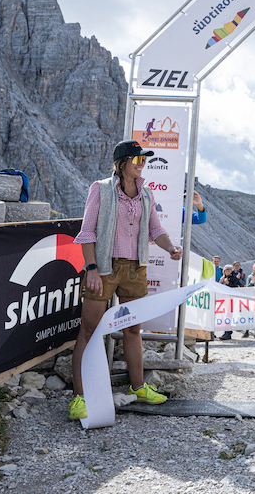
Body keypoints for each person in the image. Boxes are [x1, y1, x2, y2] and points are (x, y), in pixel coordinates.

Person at [69, 140, 183, 420]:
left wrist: (170, 248)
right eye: (137, 158)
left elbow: (156, 228)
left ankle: (139, 387)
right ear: (122, 162)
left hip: (135, 268)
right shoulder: (101, 189)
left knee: (133, 329)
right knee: (89, 331)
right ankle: (78, 399)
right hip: (104, 268)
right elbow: (87, 232)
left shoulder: (146, 194)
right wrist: (92, 269)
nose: (142, 162)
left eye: (143, 158)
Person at [219, 264, 241, 340]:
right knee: (224, 315)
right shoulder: (223, 278)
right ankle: (226, 331)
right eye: (226, 270)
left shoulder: (234, 278)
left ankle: (228, 332)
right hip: (223, 299)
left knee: (229, 315)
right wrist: (220, 282)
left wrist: (228, 283)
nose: (227, 271)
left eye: (229, 270)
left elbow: (235, 287)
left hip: (231, 299)